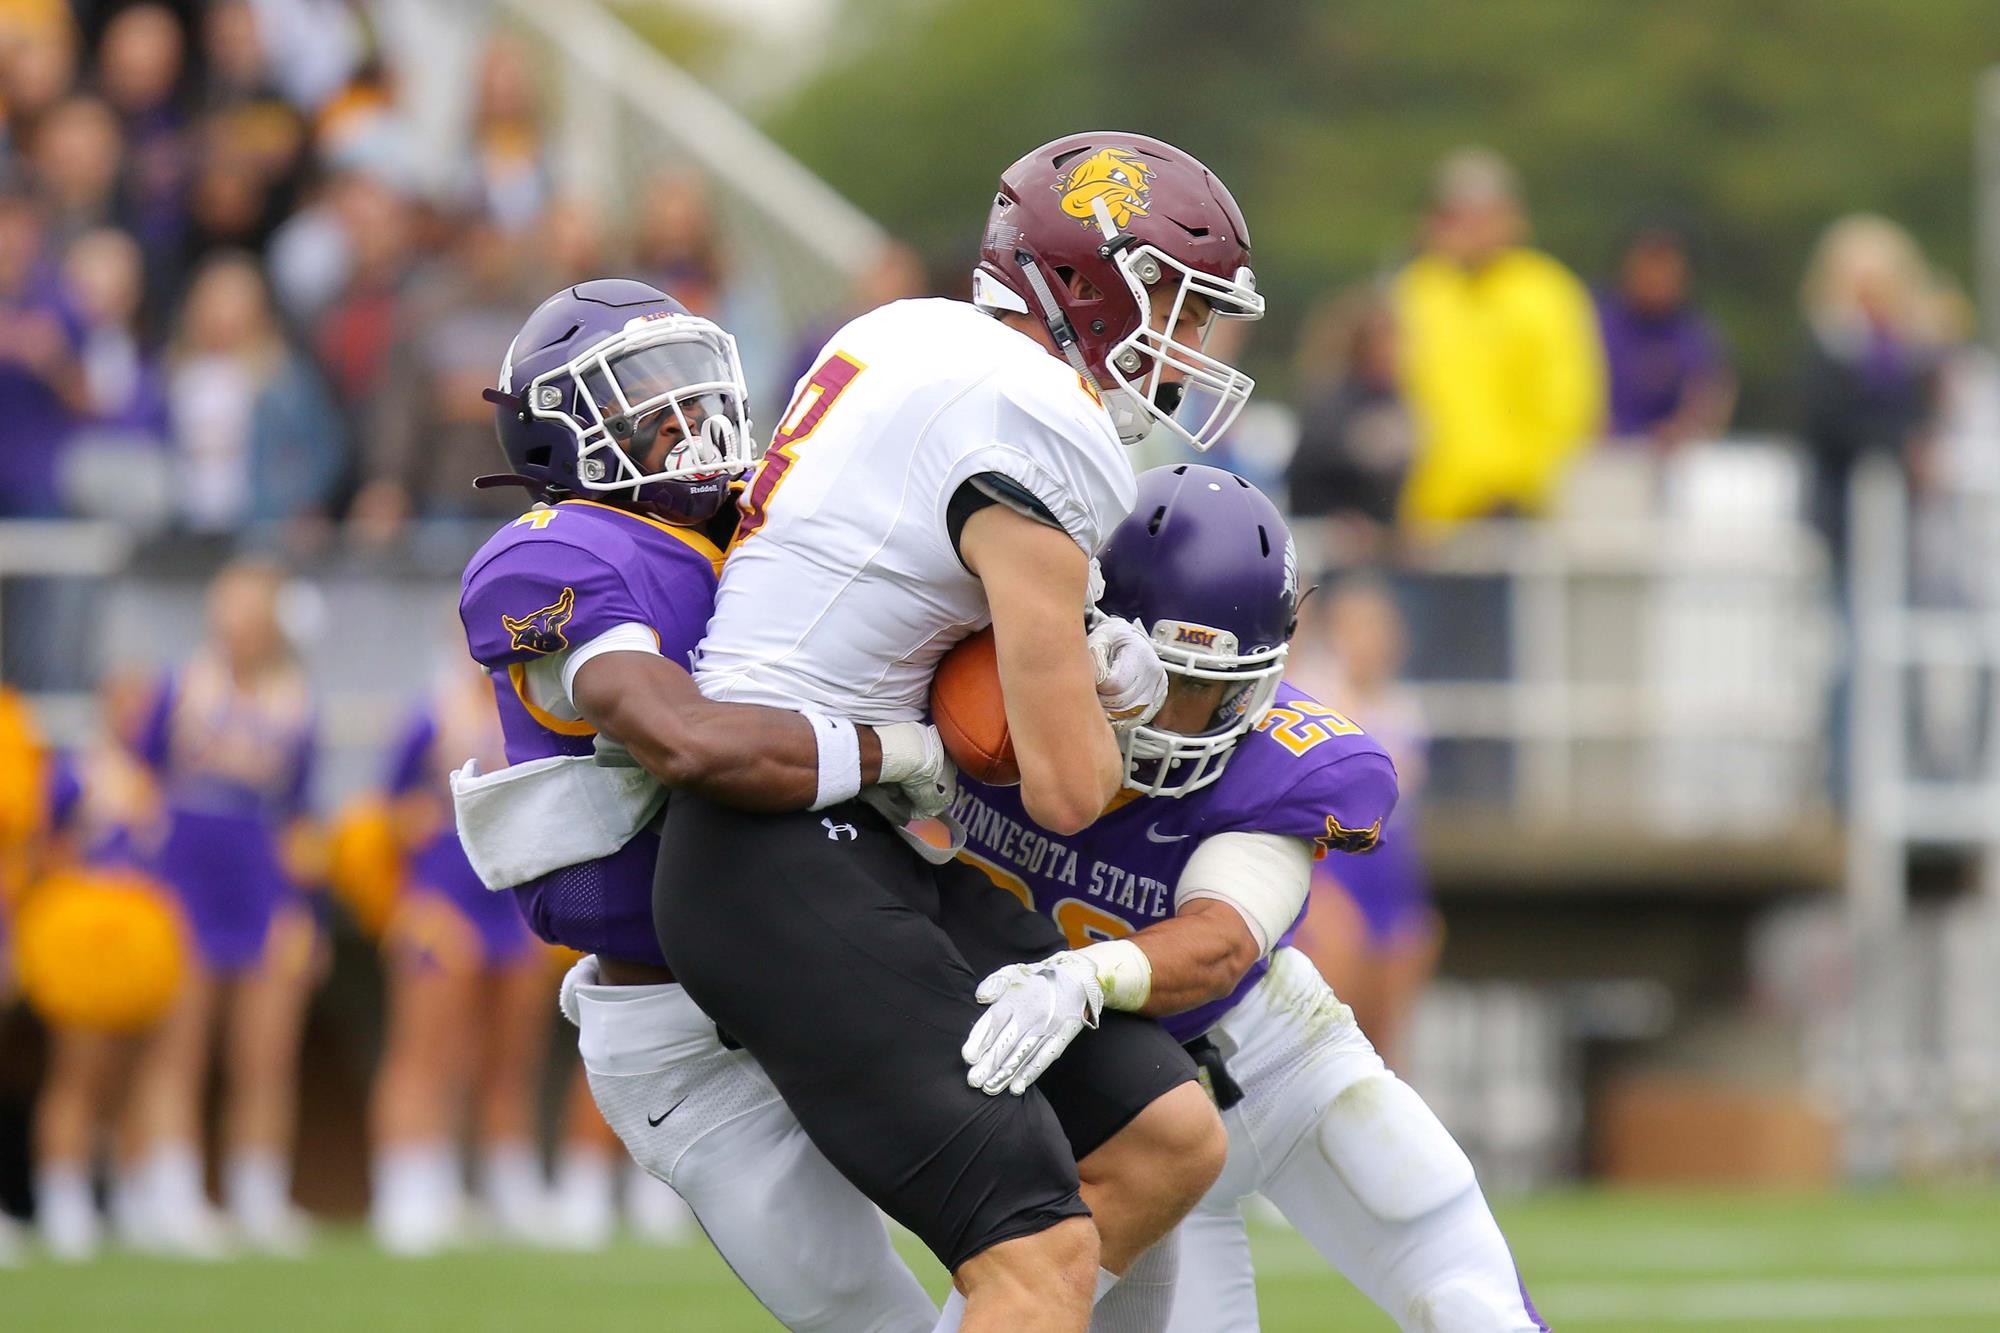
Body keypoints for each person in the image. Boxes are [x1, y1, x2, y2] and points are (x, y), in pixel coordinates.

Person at [657, 131, 1265, 1332]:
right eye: (1178, 309)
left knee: (1165, 1135)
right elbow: (1066, 789)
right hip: (779, 850)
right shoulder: (1036, 416)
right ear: (1095, 283)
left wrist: (1068, 645)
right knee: (1035, 1251)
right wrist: (1119, 689)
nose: (1189, 350)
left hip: (862, 829)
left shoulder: (894, 330)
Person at [456, 276, 947, 1329]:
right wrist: (904, 750)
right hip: (682, 1026)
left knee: (1085, 1199)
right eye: (647, 399)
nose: (690, 419)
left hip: (833, 948)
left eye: (694, 387)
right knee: (876, 1322)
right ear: (559, 437)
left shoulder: (768, 525)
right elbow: (683, 740)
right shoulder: (558, 553)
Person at [950, 465, 1545, 1332]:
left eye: (1215, 686)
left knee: (1471, 1303)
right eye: (1167, 679)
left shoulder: (1288, 768)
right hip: (1120, 1118)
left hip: (1277, 1061)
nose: (1189, 715)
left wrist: (1089, 974)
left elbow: (1222, 938)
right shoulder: (984, 705)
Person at [122, 559, 321, 1256]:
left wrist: (302, 910)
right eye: (227, 613)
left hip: (260, 879)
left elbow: (299, 817)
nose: (235, 628)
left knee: (264, 1051)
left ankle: (259, 1195)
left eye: (249, 615)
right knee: (179, 1043)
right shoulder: (179, 687)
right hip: (182, 877)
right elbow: (131, 778)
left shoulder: (296, 702)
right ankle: (171, 1195)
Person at [368, 656, 553, 1254]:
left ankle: (510, 1184)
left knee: (509, 1054)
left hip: (513, 900)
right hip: (444, 905)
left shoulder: (537, 711)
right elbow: (384, 816)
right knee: (424, 1052)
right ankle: (407, 1189)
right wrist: (410, 903)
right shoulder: (429, 715)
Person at [1394, 148, 1604, 525]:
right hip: (1420, 516)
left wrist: (1519, 484)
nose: (1469, 228)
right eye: (1456, 215)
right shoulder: (1414, 290)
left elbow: (1569, 403)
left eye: (1482, 215)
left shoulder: (1546, 291)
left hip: (1515, 509)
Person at [1289, 577, 1439, 1071]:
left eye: (1380, 628)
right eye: (1357, 628)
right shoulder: (1311, 698)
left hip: (1392, 873)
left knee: (1389, 1045)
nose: (1370, 642)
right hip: (1335, 868)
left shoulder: (1406, 710)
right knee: (1336, 1025)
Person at [1283, 286, 1414, 566]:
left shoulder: (1396, 401)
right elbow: (1306, 474)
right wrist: (1336, 519)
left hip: (1382, 553)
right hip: (1328, 552)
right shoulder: (1331, 403)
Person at [1595, 224, 1735, 448]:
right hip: (1597, 455)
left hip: (1665, 460)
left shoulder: (1694, 334)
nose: (1657, 278)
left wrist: (1688, 427)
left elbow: (1711, 392)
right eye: (1649, 266)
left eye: (1667, 269)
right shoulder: (1592, 323)